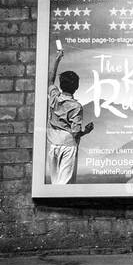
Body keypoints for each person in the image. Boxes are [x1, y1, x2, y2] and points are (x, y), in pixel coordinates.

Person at [48, 49, 93, 184]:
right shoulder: (76, 107)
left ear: (60, 85)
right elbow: (75, 133)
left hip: (53, 145)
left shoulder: (54, 97)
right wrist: (87, 131)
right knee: (65, 185)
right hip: (68, 146)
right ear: (77, 87)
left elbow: (50, 80)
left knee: (55, 183)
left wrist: (57, 60)